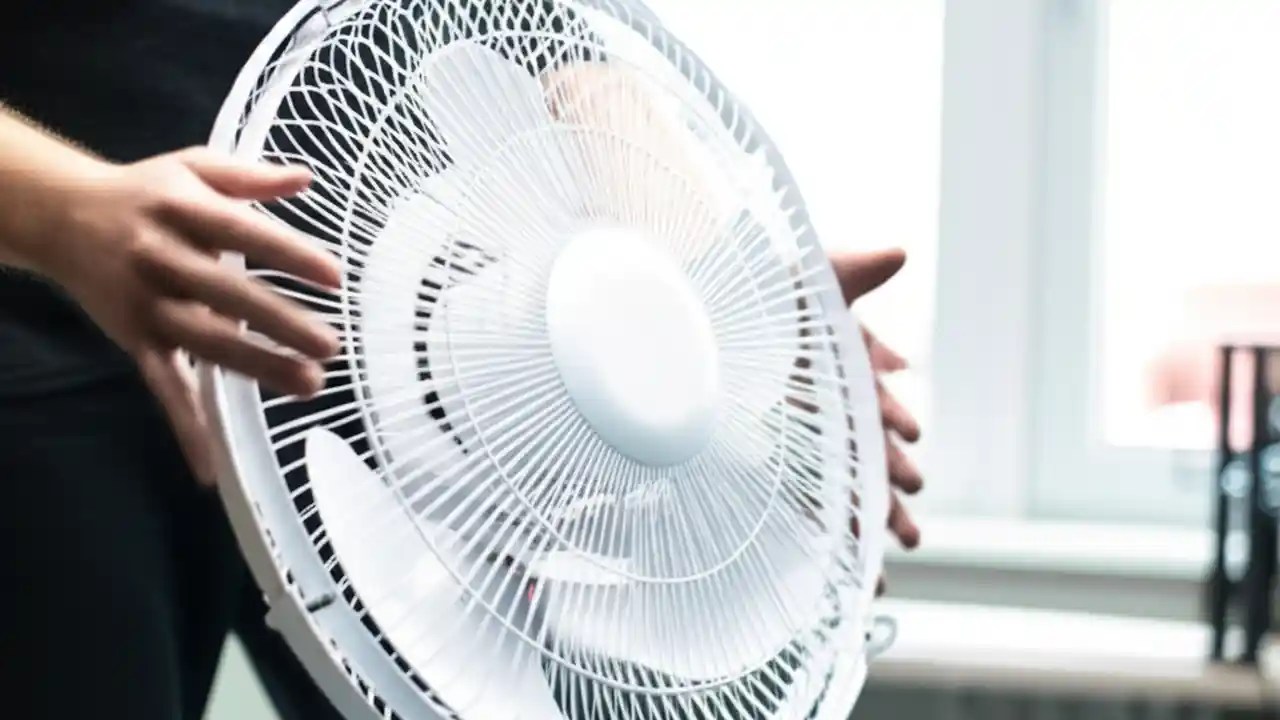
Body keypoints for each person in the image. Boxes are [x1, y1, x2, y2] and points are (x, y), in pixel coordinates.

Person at [0, 1, 923, 718]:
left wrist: (731, 305)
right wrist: (69, 214)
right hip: (47, 327)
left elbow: (566, 46)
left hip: (404, 363)